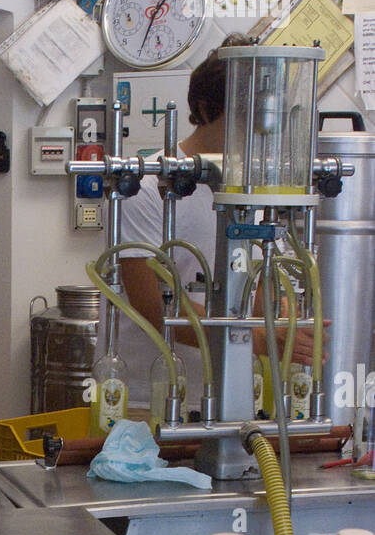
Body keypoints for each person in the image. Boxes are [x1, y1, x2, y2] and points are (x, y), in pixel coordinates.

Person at [116, 34, 317, 409]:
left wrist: (284, 325)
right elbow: (153, 306)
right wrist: (254, 339)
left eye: (264, 118)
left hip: (230, 394)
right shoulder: (148, 188)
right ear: (206, 110)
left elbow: (260, 287)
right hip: (148, 400)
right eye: (244, 115)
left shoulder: (251, 192)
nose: (258, 132)